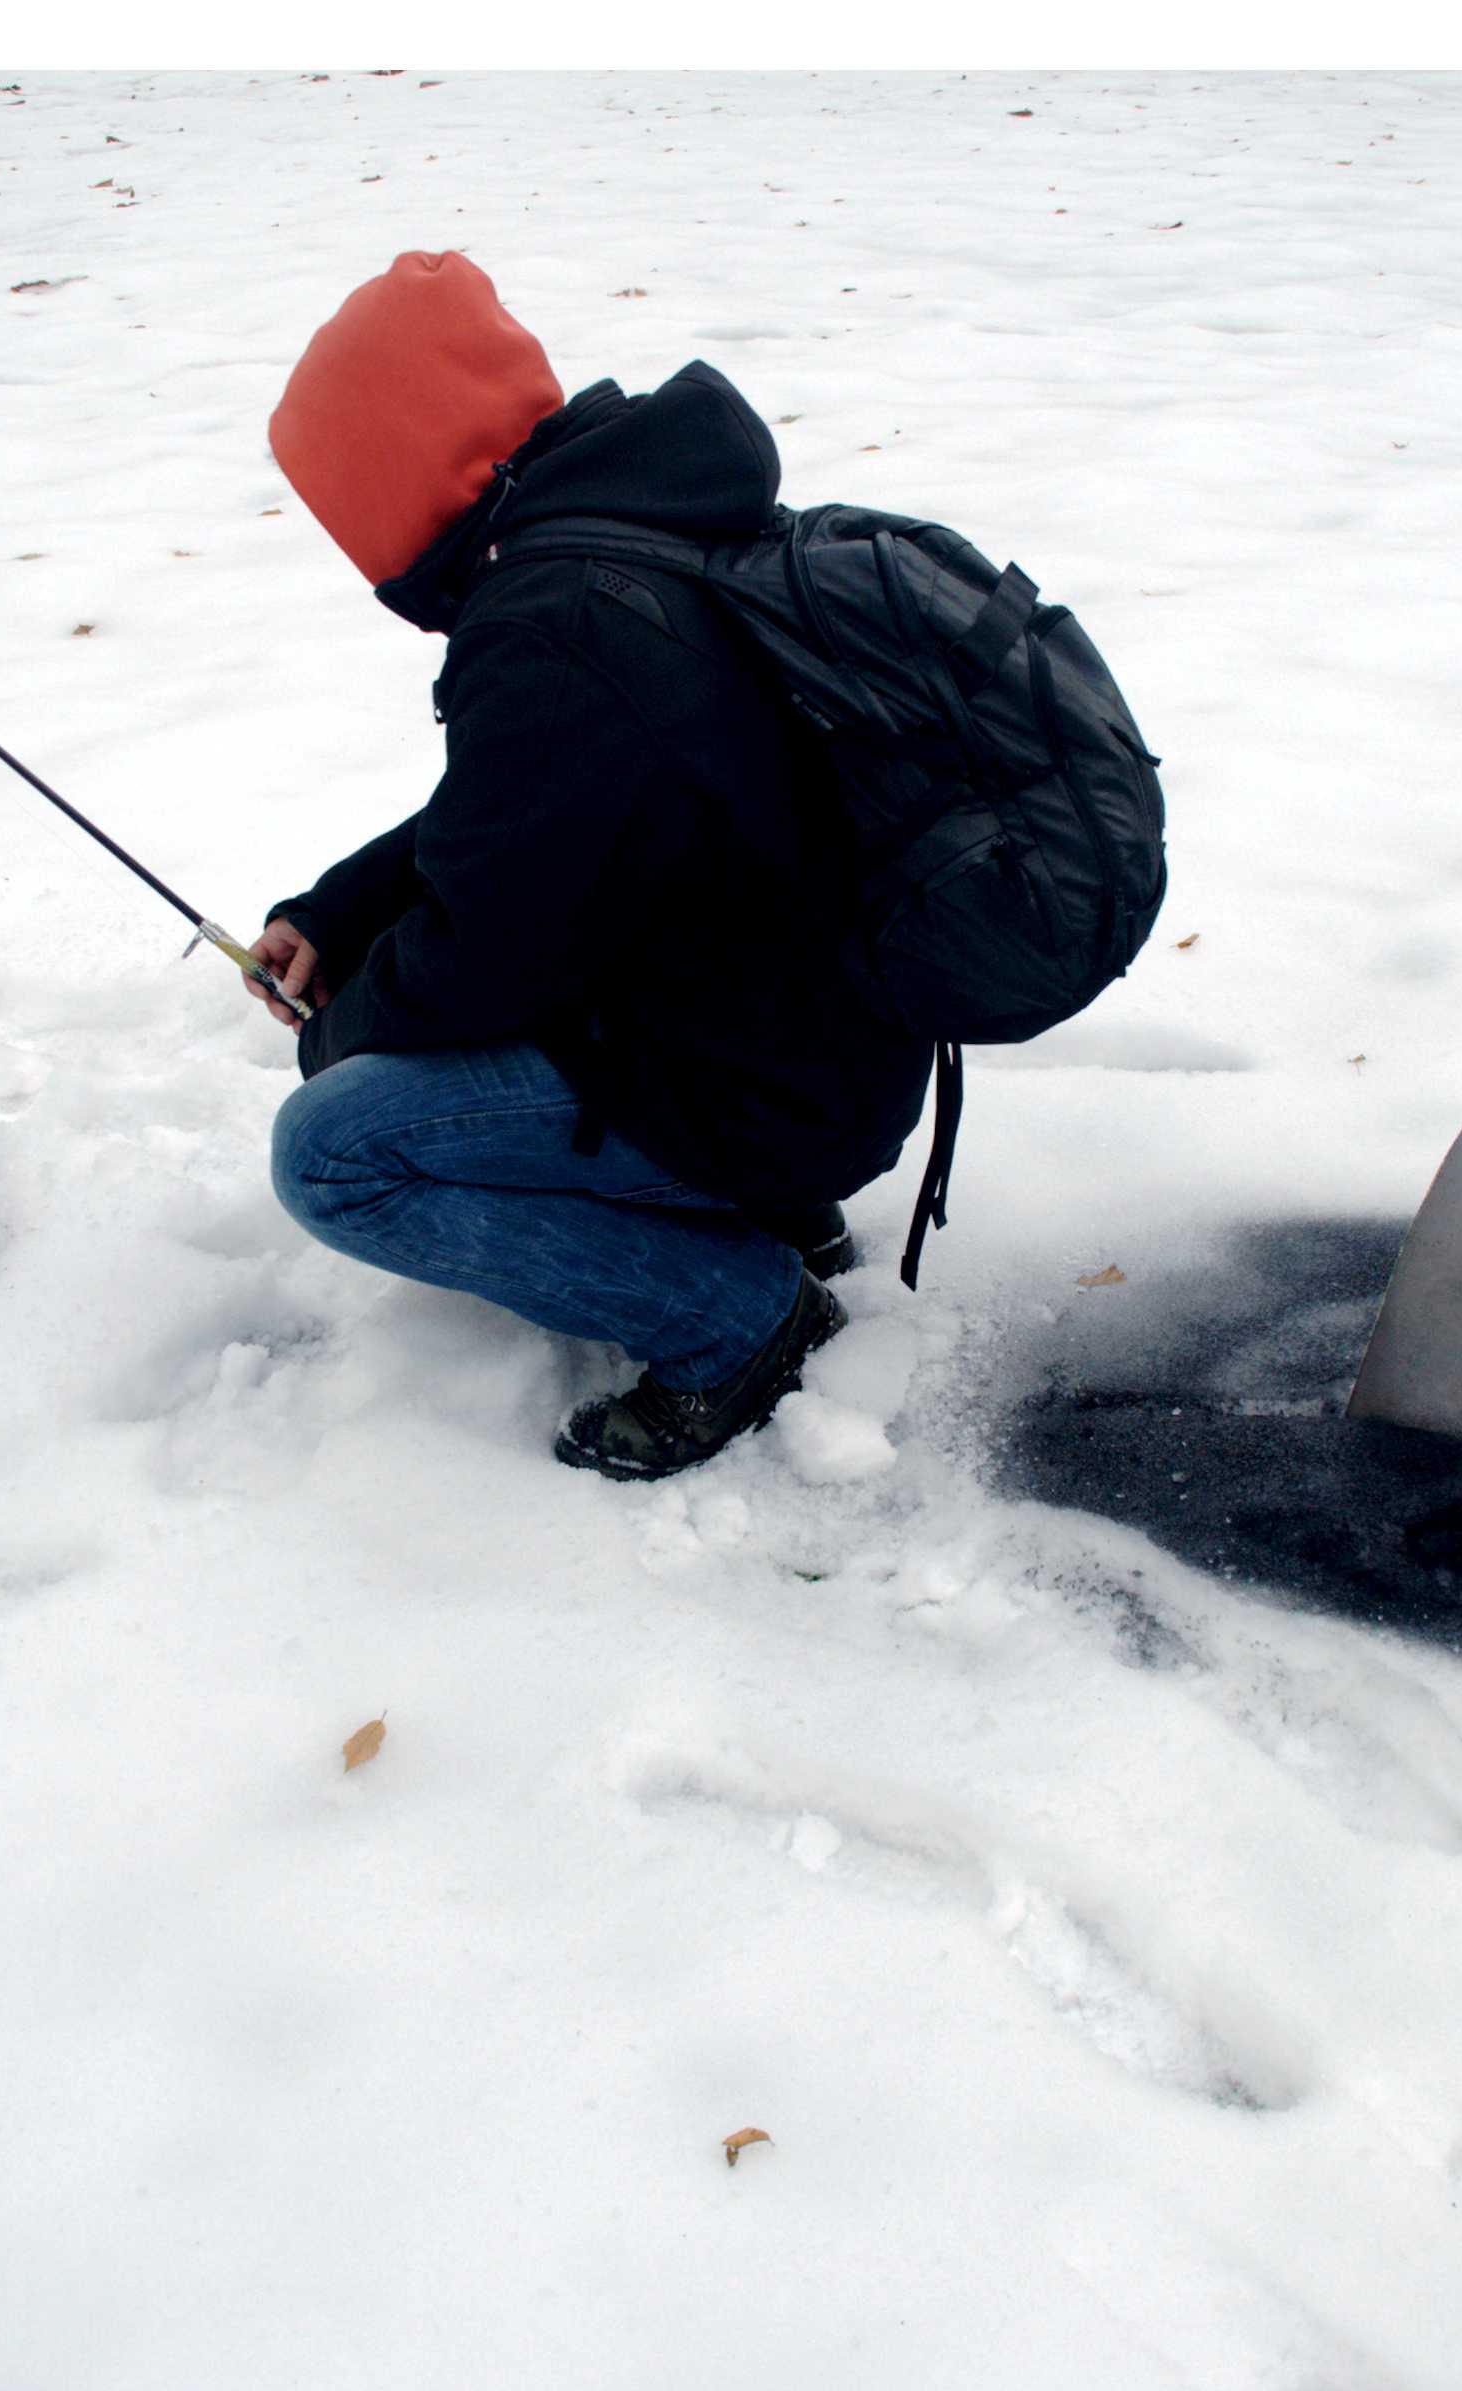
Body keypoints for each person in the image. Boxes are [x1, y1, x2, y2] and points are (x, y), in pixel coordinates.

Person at [248, 252, 931, 1481]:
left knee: (334, 1152)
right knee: (455, 1040)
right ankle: (760, 1212)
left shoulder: (554, 622)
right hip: (821, 1050)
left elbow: (485, 955)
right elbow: (516, 817)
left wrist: (333, 1027)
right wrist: (336, 914)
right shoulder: (643, 522)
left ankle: (738, 1322)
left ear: (394, 472)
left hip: (761, 1088)